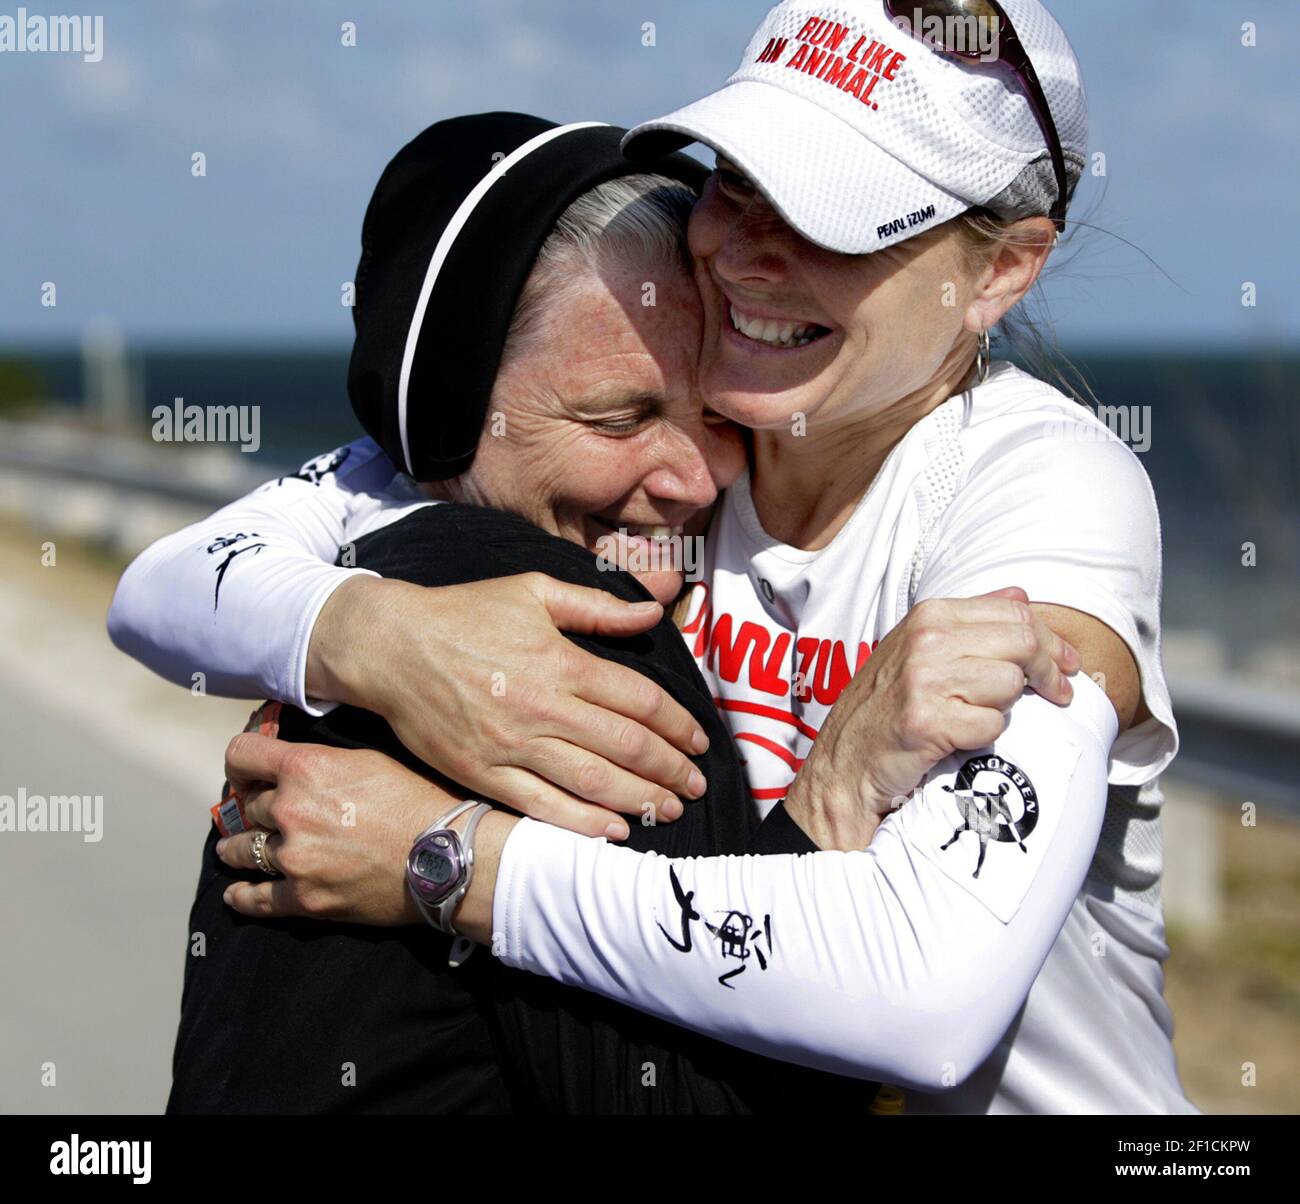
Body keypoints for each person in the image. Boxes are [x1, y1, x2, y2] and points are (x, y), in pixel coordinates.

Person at [114, 0, 1194, 1113]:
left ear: (1001, 272)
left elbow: (923, 1000)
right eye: (740, 182)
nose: (752, 256)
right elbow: (170, 579)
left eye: (840, 216)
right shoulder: (708, 421)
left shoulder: (1041, 494)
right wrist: (386, 643)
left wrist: (439, 860)